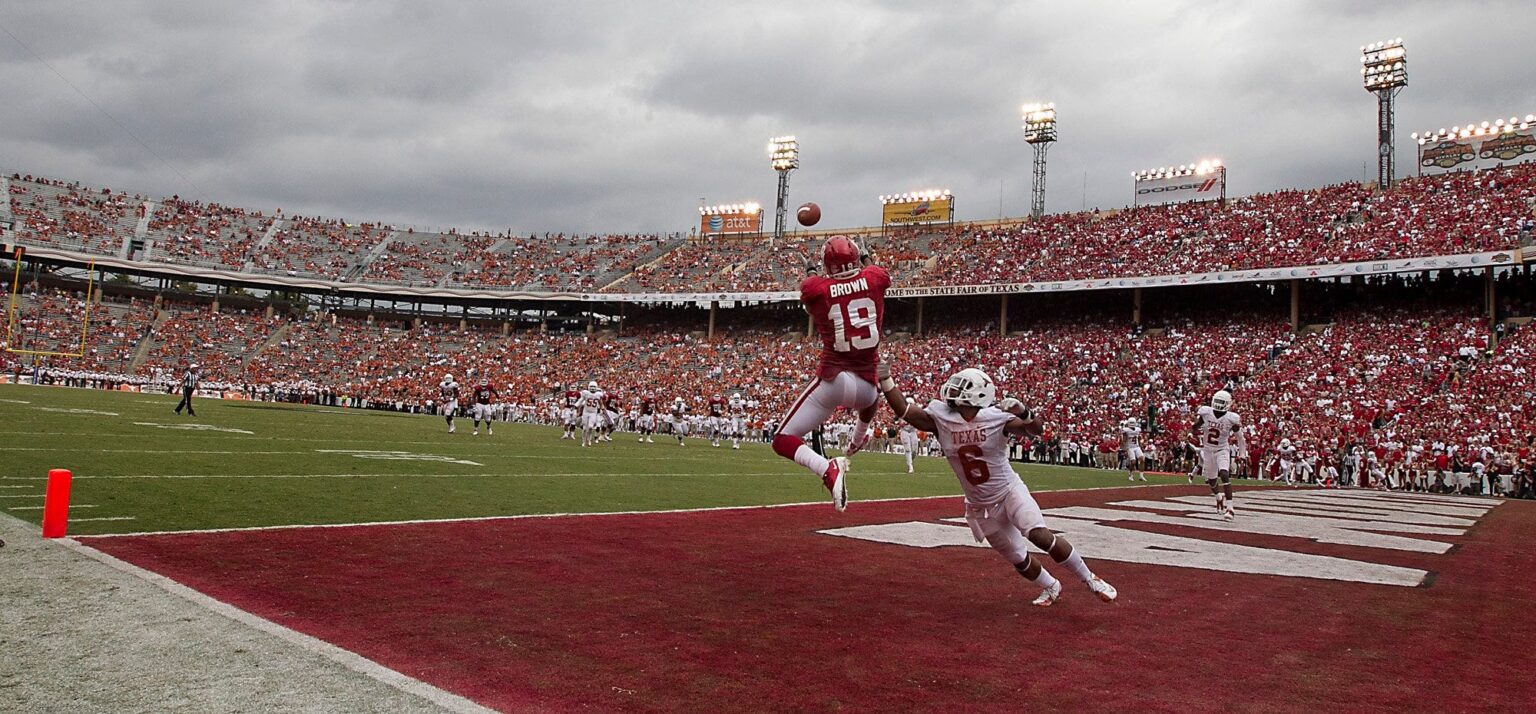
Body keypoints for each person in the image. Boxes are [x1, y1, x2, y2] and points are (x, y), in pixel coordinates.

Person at [876, 365, 1118, 606]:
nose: (953, 389)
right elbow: (905, 410)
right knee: (1019, 559)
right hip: (979, 505)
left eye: (962, 386)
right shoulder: (941, 418)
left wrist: (1024, 412)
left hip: (1008, 491)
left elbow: (1036, 431)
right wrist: (886, 379)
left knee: (1039, 535)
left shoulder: (995, 418)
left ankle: (1090, 578)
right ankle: (1051, 585)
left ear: (979, 394)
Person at [771, 236, 889, 511]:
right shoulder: (874, 277)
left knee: (782, 440)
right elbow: (876, 273)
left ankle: (827, 469)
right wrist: (866, 260)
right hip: (867, 389)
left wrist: (811, 271)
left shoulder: (816, 288)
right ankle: (858, 438)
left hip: (835, 378)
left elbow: (814, 290)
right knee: (874, 394)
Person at [1191, 390, 1247, 521]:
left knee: (1224, 474)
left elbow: (1240, 438)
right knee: (1211, 480)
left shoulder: (1231, 418)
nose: (1219, 405)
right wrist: (1194, 431)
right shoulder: (1206, 413)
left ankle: (1230, 508)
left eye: (1222, 402)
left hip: (1222, 449)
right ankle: (1218, 497)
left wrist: (1242, 454)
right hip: (1208, 450)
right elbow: (1195, 427)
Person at [1121, 417, 1147, 482]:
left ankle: (1141, 476)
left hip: (1137, 446)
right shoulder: (1126, 430)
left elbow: (1138, 438)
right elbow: (1124, 440)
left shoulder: (1138, 430)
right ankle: (1130, 475)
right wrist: (1124, 448)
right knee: (1133, 462)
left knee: (1142, 459)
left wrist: (1141, 447)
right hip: (1130, 447)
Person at [579, 380, 605, 447]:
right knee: (585, 428)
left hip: (593, 412)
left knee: (590, 427)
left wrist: (602, 407)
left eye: (594, 386)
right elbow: (581, 401)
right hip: (586, 412)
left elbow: (601, 402)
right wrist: (577, 408)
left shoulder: (597, 394)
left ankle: (589, 439)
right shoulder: (586, 393)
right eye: (591, 386)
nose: (593, 388)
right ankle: (584, 441)